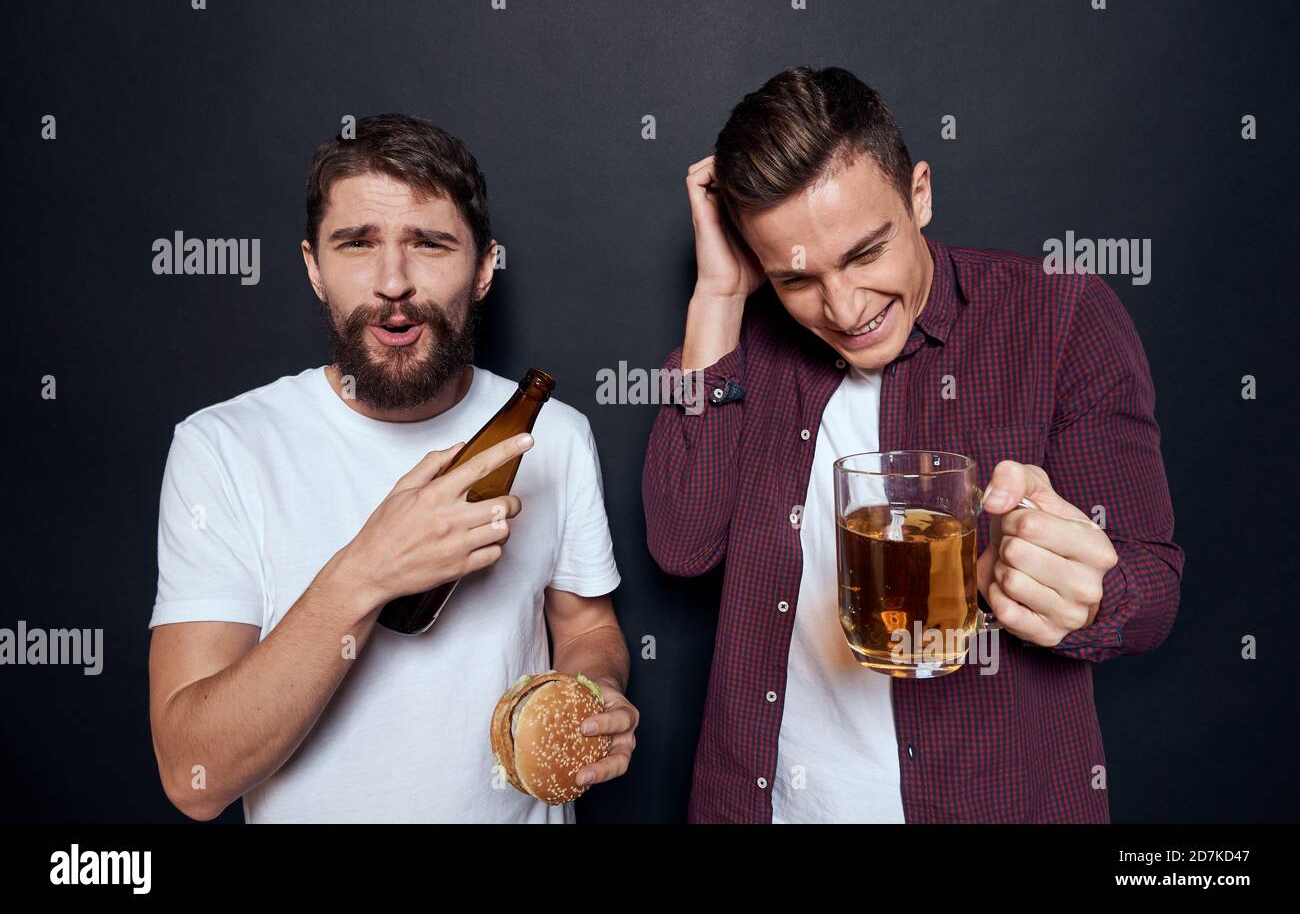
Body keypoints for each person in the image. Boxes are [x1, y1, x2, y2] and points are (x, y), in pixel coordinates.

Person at [642, 66, 1182, 823]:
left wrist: (1082, 587)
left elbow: (1153, 591)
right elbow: (682, 543)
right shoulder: (749, 347)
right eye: (797, 279)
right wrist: (720, 297)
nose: (844, 306)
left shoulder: (1059, 317)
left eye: (866, 253)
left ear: (919, 193)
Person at [148, 114, 637, 822]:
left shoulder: (553, 436)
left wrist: (595, 694)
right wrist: (368, 570)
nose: (392, 282)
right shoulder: (221, 447)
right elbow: (195, 779)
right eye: (356, 244)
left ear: (484, 268)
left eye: (430, 244)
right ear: (315, 267)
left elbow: (587, 627)